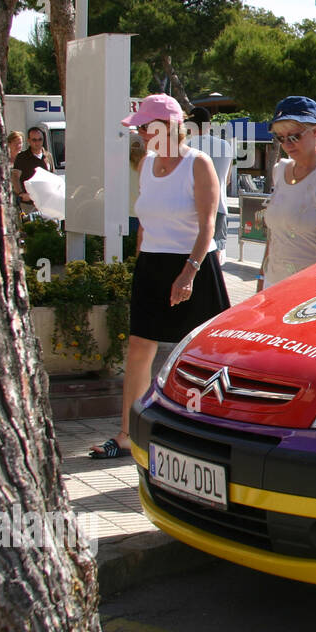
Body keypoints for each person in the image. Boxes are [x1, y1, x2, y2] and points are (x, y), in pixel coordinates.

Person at [88, 94, 229, 459]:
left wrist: (189, 273)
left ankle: (205, 434)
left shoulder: (198, 164)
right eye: (139, 127)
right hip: (152, 265)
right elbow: (145, 224)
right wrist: (140, 265)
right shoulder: (146, 165)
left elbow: (208, 225)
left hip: (193, 266)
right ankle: (125, 434)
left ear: (169, 127)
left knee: (199, 357)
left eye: (146, 127)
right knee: (138, 349)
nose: (140, 133)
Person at [260, 95, 316, 290]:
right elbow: (274, 235)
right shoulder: (280, 170)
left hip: (310, 289)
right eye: (280, 138)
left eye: (294, 136)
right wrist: (261, 278)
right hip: (273, 283)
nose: (287, 144)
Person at [186, 106, 234, 262]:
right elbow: (227, 180)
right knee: (215, 257)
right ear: (209, 125)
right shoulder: (225, 146)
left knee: (192, 256)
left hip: (191, 209)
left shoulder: (185, 147)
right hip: (219, 206)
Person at [13, 126, 53, 211]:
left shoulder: (48, 156)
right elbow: (15, 177)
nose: (37, 142)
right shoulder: (22, 157)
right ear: (29, 141)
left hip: (46, 203)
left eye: (40, 139)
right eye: (34, 140)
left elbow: (52, 178)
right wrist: (21, 194)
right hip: (29, 204)